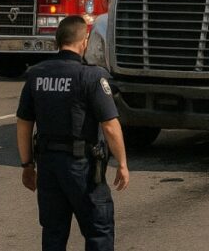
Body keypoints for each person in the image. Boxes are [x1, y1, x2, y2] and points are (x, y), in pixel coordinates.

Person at [16, 16, 129, 251]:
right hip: (82, 167)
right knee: (98, 229)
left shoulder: (37, 75)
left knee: (53, 232)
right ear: (84, 41)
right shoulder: (90, 76)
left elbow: (24, 123)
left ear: (58, 40)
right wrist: (123, 163)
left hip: (48, 166)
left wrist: (27, 165)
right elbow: (110, 125)